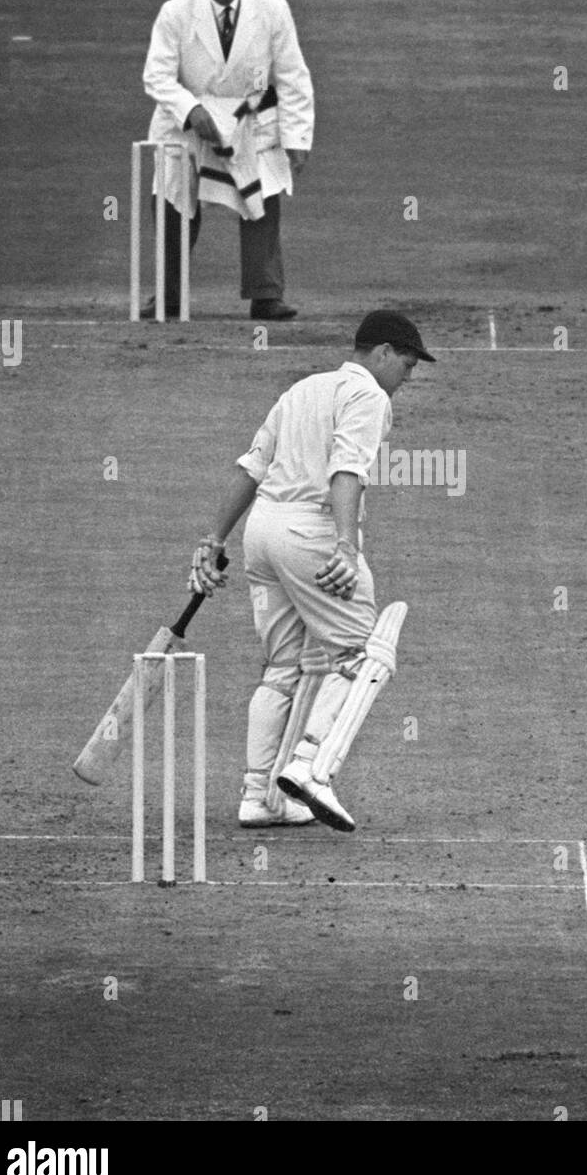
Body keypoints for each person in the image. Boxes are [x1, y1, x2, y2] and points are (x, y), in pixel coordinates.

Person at [188, 311, 435, 832]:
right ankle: (313, 767)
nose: (408, 379)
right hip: (312, 537)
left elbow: (250, 467)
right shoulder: (370, 397)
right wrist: (345, 546)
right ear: (383, 352)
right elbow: (346, 472)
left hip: (263, 533)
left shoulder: (303, 389)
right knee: (363, 656)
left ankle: (261, 797)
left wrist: (214, 539)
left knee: (285, 669)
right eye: (407, 366)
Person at [141, 0, 314, 320]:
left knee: (263, 198)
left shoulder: (273, 8)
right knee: (171, 202)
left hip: (249, 121)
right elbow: (157, 76)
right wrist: (191, 111)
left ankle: (266, 295)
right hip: (186, 124)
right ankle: (168, 296)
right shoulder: (175, 12)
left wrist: (297, 137)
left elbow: (292, 75)